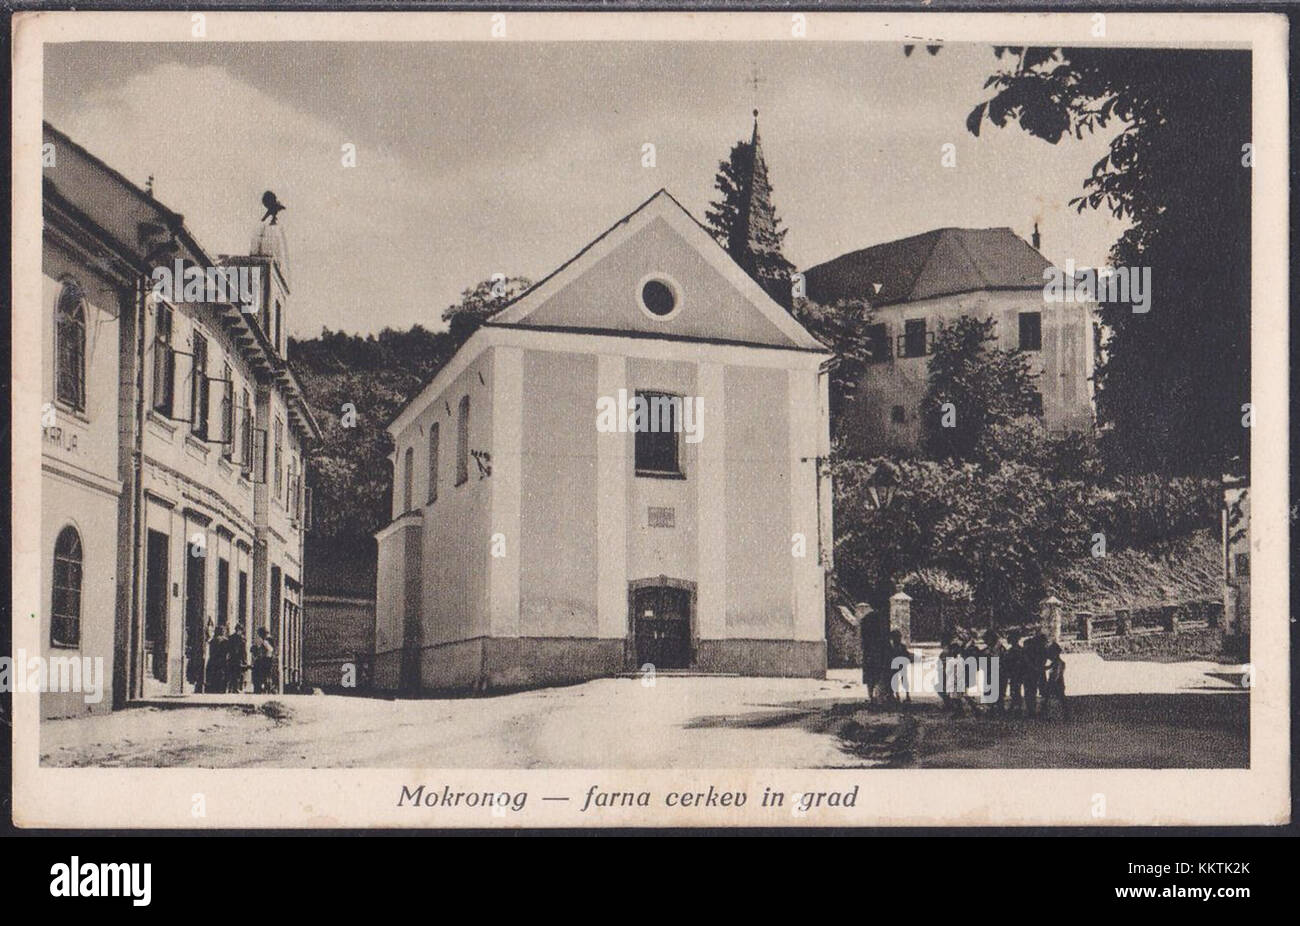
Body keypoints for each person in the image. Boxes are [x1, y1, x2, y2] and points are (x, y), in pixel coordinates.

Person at [1021, 630, 1047, 717]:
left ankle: (1033, 710)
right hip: (1035, 672)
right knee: (1034, 691)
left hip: (1032, 672)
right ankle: (1035, 710)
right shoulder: (1039, 649)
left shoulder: (1034, 649)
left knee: (1031, 691)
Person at [1043, 637, 1069, 719]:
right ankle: (1048, 713)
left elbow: (1056, 674)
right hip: (1056, 682)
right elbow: (1047, 668)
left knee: (1059, 698)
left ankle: (1064, 714)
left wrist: (1051, 683)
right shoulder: (1056, 662)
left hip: (1056, 683)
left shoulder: (1058, 663)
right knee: (1057, 698)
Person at [887, 629, 912, 704]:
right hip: (896, 666)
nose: (897, 639)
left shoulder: (900, 647)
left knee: (902, 680)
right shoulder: (894, 647)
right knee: (896, 681)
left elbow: (906, 655)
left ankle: (906, 695)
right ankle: (898, 695)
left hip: (901, 665)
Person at [206, 622, 229, 694]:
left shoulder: (212, 641)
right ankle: (221, 690)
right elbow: (227, 652)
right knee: (221, 677)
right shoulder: (225, 641)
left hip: (213, 661)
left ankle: (214, 690)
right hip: (222, 661)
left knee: (213, 677)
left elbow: (210, 652)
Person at [251, 628, 276, 694]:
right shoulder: (261, 641)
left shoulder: (268, 640)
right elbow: (253, 649)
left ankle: (267, 688)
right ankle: (260, 688)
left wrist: (263, 643)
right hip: (262, 660)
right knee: (261, 675)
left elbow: (271, 650)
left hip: (267, 660)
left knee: (266, 675)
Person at [226, 624, 248, 693]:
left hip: (232, 658)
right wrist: (245, 660)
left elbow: (228, 649)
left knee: (232, 673)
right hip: (238, 659)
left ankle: (231, 688)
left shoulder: (230, 637)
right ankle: (236, 688)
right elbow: (243, 651)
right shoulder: (242, 638)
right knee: (238, 673)